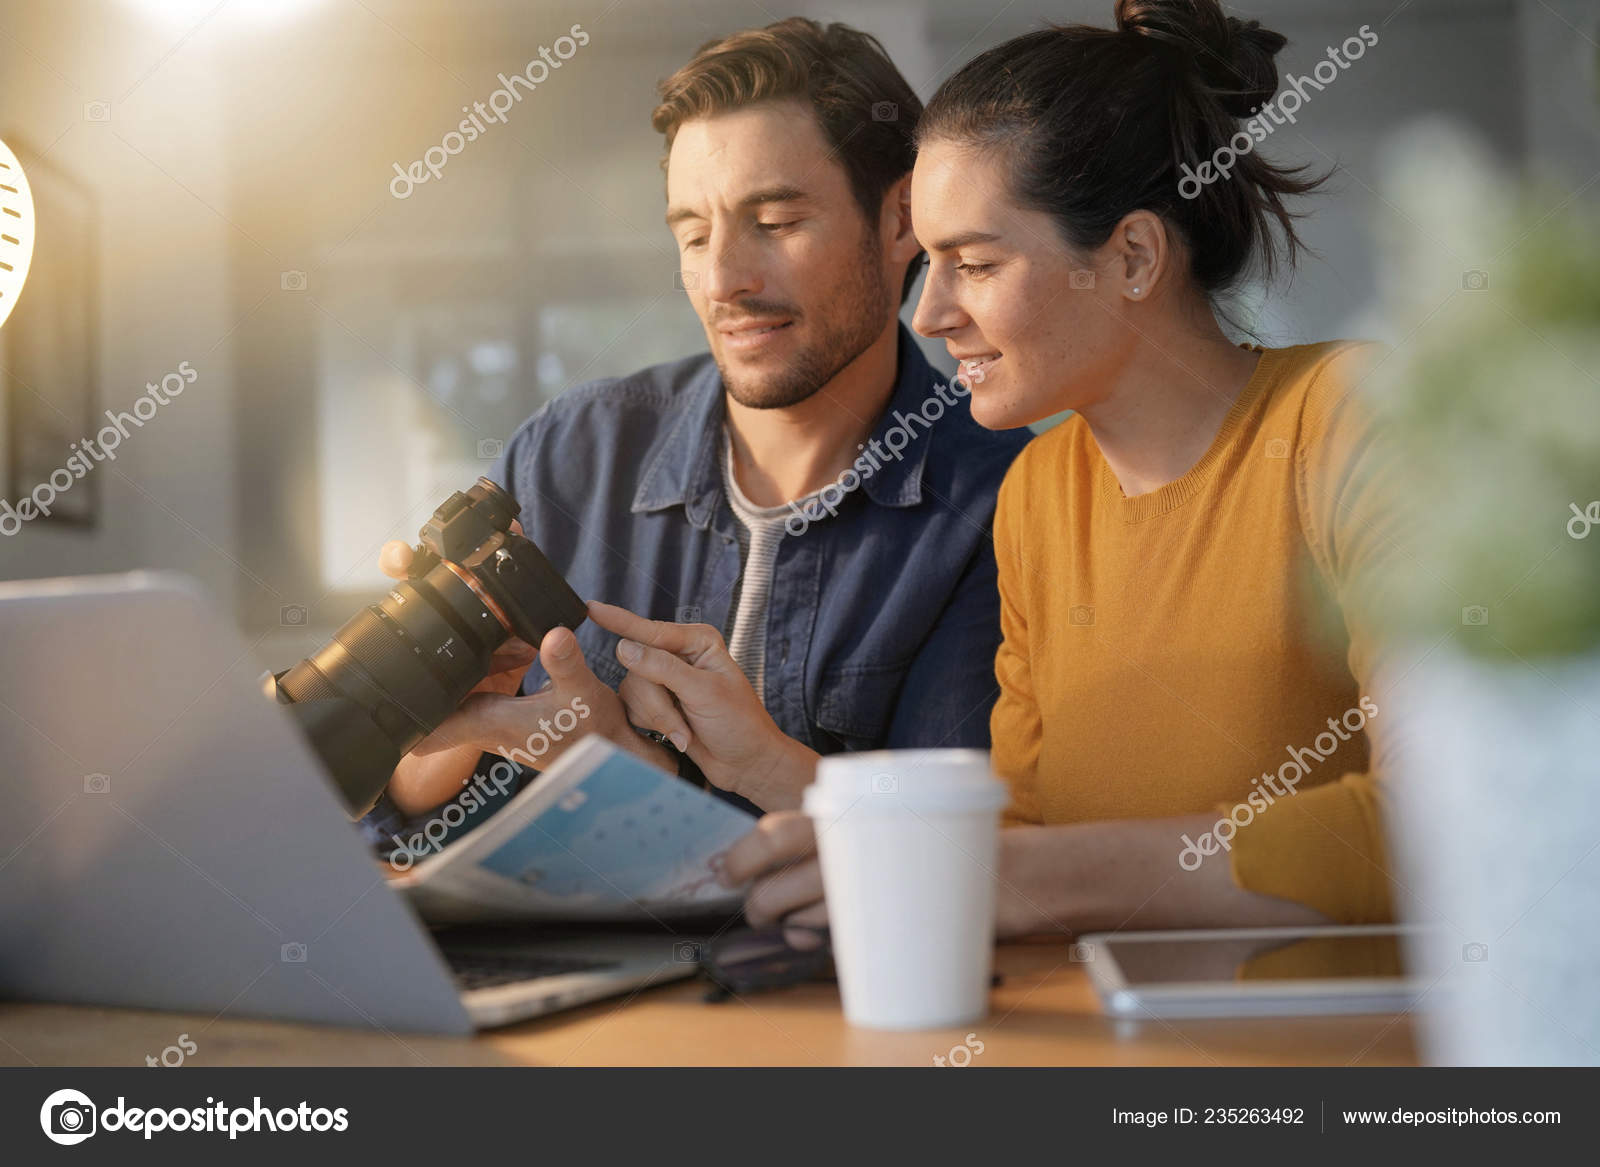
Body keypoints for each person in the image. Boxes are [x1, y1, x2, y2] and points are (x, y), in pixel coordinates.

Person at [641, 0, 1404, 946]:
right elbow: (1015, 844)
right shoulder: (1041, 493)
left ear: (1131, 256)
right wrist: (764, 764)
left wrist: (1012, 875)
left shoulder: (1358, 421)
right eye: (934, 263)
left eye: (975, 264)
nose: (929, 314)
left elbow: (1442, 821)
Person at [361, 18, 1029, 851]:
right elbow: (403, 810)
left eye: (776, 222)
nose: (723, 281)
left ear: (900, 222)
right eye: (694, 234)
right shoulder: (572, 453)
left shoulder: (1007, 505)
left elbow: (943, 861)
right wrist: (446, 722)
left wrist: (625, 773)